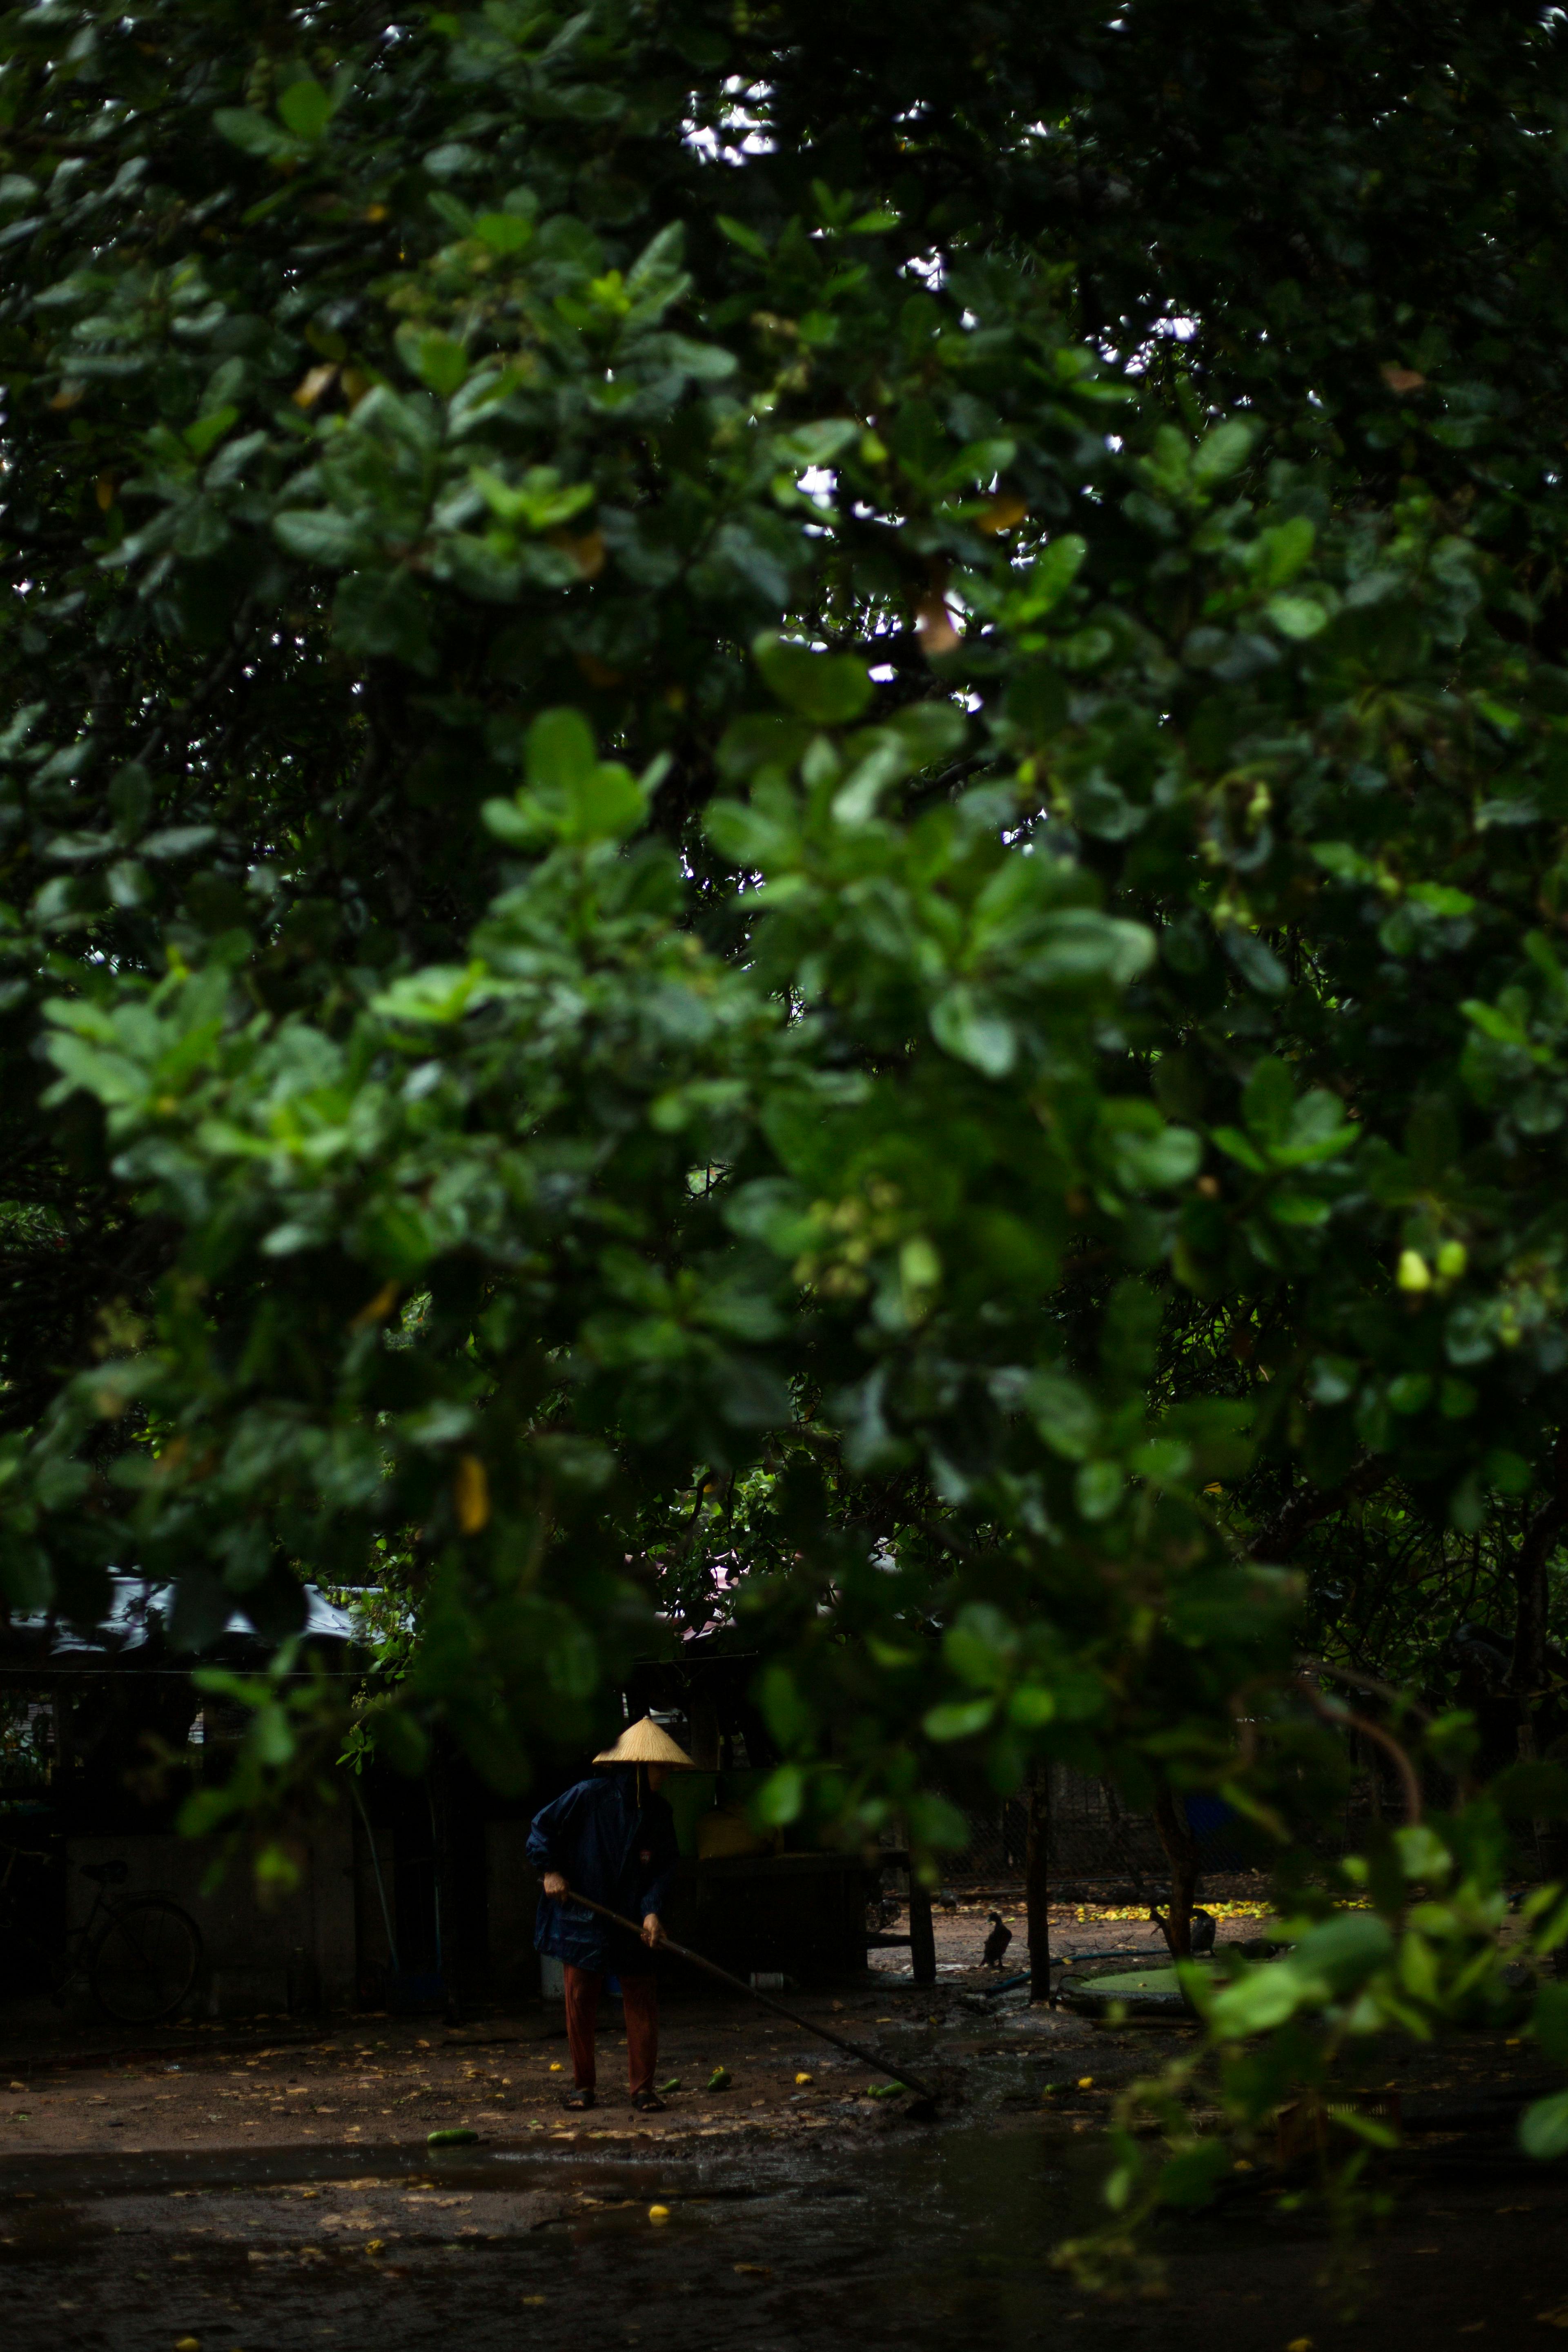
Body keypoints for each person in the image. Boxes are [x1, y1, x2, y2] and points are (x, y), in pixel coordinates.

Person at [526, 1714, 694, 2112]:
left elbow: (664, 1867)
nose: (666, 1773)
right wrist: (551, 1871)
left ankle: (643, 2090)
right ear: (639, 1766)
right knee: (580, 2000)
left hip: (632, 1921)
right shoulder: (587, 1797)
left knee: (640, 1999)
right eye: (660, 1766)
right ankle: (583, 2087)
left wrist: (652, 1912)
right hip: (583, 1918)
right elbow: (541, 1829)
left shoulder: (659, 1814)